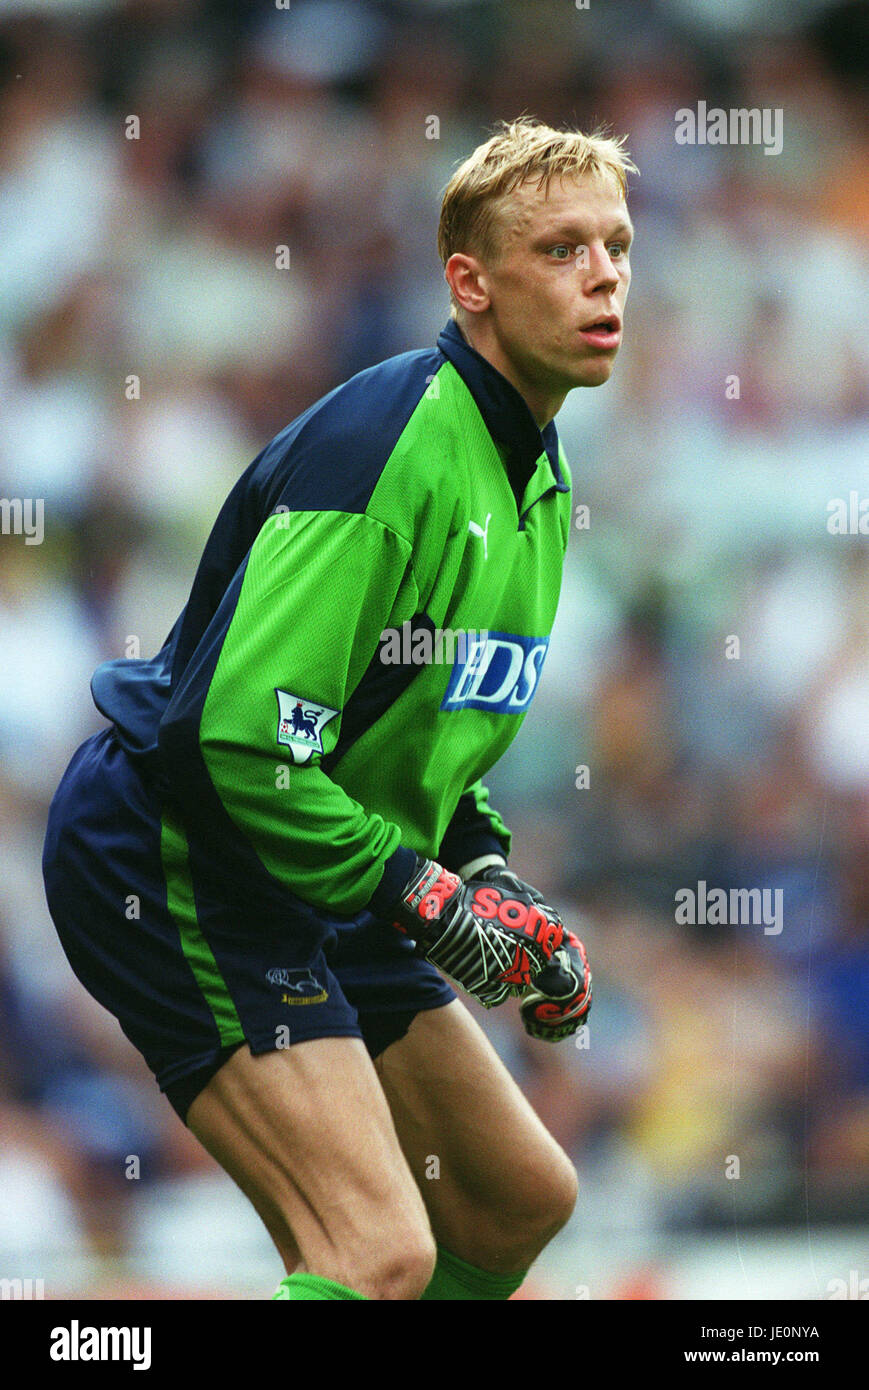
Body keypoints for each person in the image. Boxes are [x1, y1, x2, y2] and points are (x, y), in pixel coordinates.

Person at [42, 116, 635, 1301]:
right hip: (178, 852)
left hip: (325, 862)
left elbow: (419, 733)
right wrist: (417, 890)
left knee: (518, 1194)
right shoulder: (386, 442)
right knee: (374, 1251)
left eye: (617, 244)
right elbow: (244, 739)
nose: (605, 273)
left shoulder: (537, 471)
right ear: (468, 282)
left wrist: (486, 873)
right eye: (562, 248)